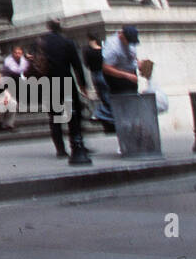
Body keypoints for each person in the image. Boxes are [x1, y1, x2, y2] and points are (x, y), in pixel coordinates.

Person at [37, 20, 91, 164]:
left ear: (48, 28)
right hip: (66, 79)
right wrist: (83, 85)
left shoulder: (42, 43)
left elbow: (38, 63)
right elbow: (77, 65)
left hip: (49, 82)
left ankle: (60, 148)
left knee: (54, 117)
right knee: (74, 114)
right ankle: (77, 143)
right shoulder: (67, 42)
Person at [83, 35, 114, 133]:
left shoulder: (88, 52)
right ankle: (107, 118)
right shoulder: (103, 51)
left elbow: (86, 64)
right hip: (103, 74)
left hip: (95, 74)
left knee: (104, 97)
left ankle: (100, 114)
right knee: (106, 96)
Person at [101, 25, 143, 97]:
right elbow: (106, 68)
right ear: (122, 36)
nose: (130, 43)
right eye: (129, 41)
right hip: (119, 80)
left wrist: (138, 62)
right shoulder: (112, 47)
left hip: (131, 77)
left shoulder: (130, 42)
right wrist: (127, 75)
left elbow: (132, 54)